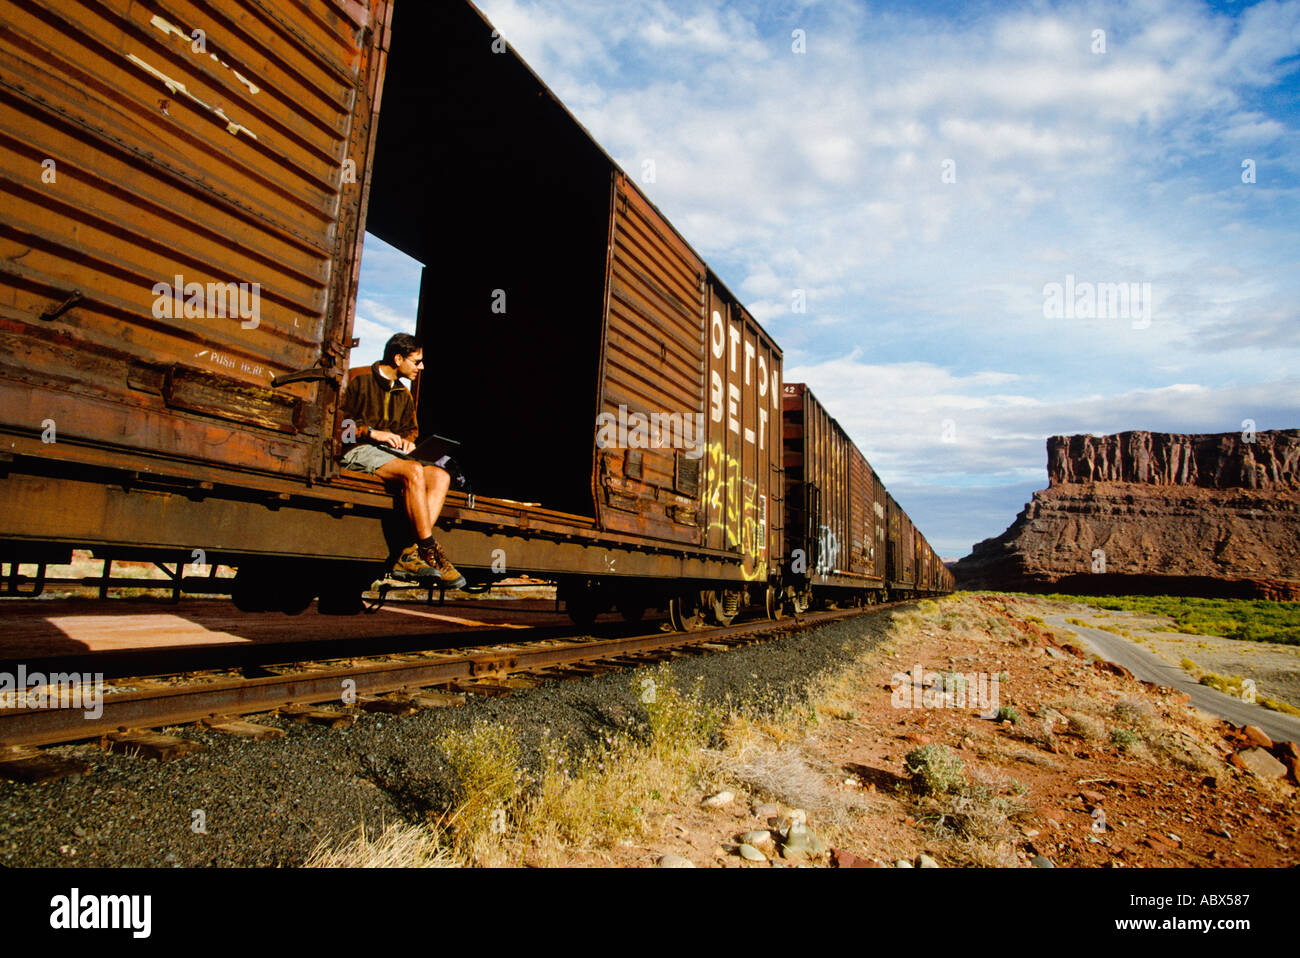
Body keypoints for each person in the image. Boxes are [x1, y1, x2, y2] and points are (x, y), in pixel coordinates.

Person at [339, 333, 465, 589]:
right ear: (398, 358)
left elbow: (411, 430)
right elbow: (338, 425)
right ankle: (430, 550)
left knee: (442, 476)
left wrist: (408, 441)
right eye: (416, 361)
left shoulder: (404, 394)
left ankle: (409, 553)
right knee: (414, 471)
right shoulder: (356, 378)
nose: (421, 367)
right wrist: (371, 432)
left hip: (390, 457)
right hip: (356, 450)